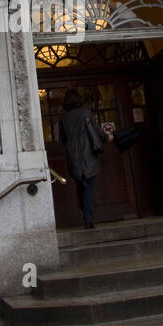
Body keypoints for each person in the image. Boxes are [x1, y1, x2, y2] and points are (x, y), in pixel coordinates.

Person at [59, 89, 114, 229]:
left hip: (73, 156)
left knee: (81, 185)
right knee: (89, 185)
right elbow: (96, 131)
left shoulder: (63, 119)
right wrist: (108, 137)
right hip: (88, 154)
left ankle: (85, 213)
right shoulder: (86, 113)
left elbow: (62, 139)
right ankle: (88, 219)